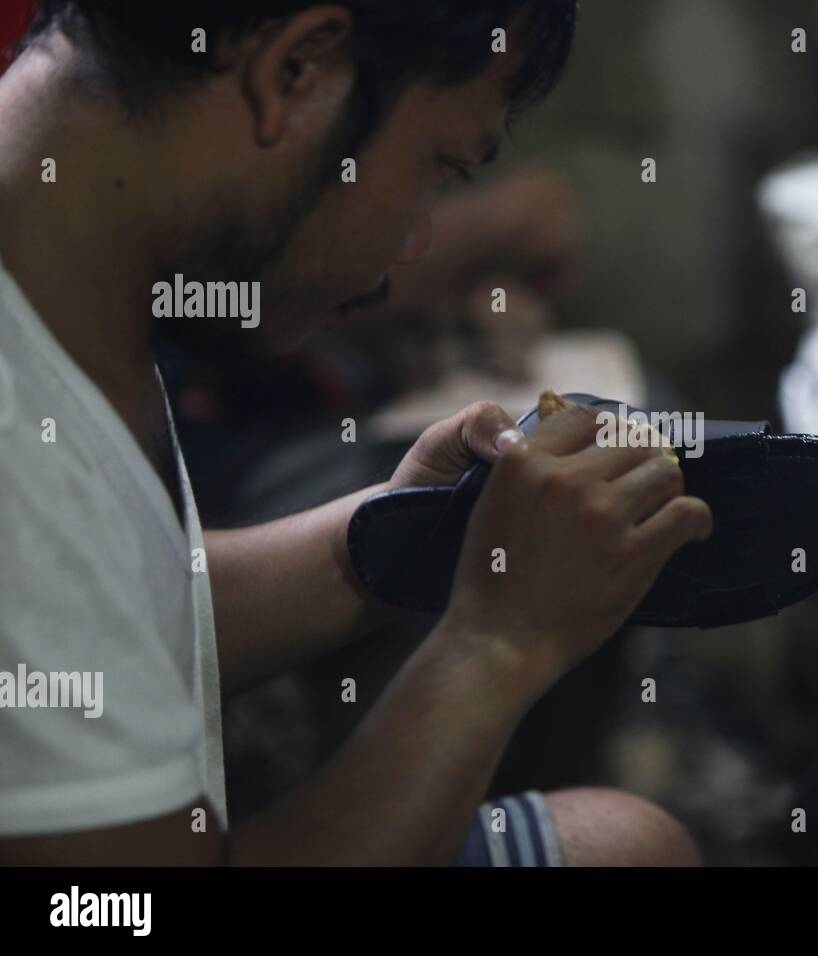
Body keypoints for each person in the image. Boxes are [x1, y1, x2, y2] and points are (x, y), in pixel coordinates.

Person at [0, 0, 712, 866]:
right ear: (295, 73)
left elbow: (106, 607)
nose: (415, 244)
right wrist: (495, 645)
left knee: (629, 847)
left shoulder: (61, 262)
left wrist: (404, 530)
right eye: (437, 169)